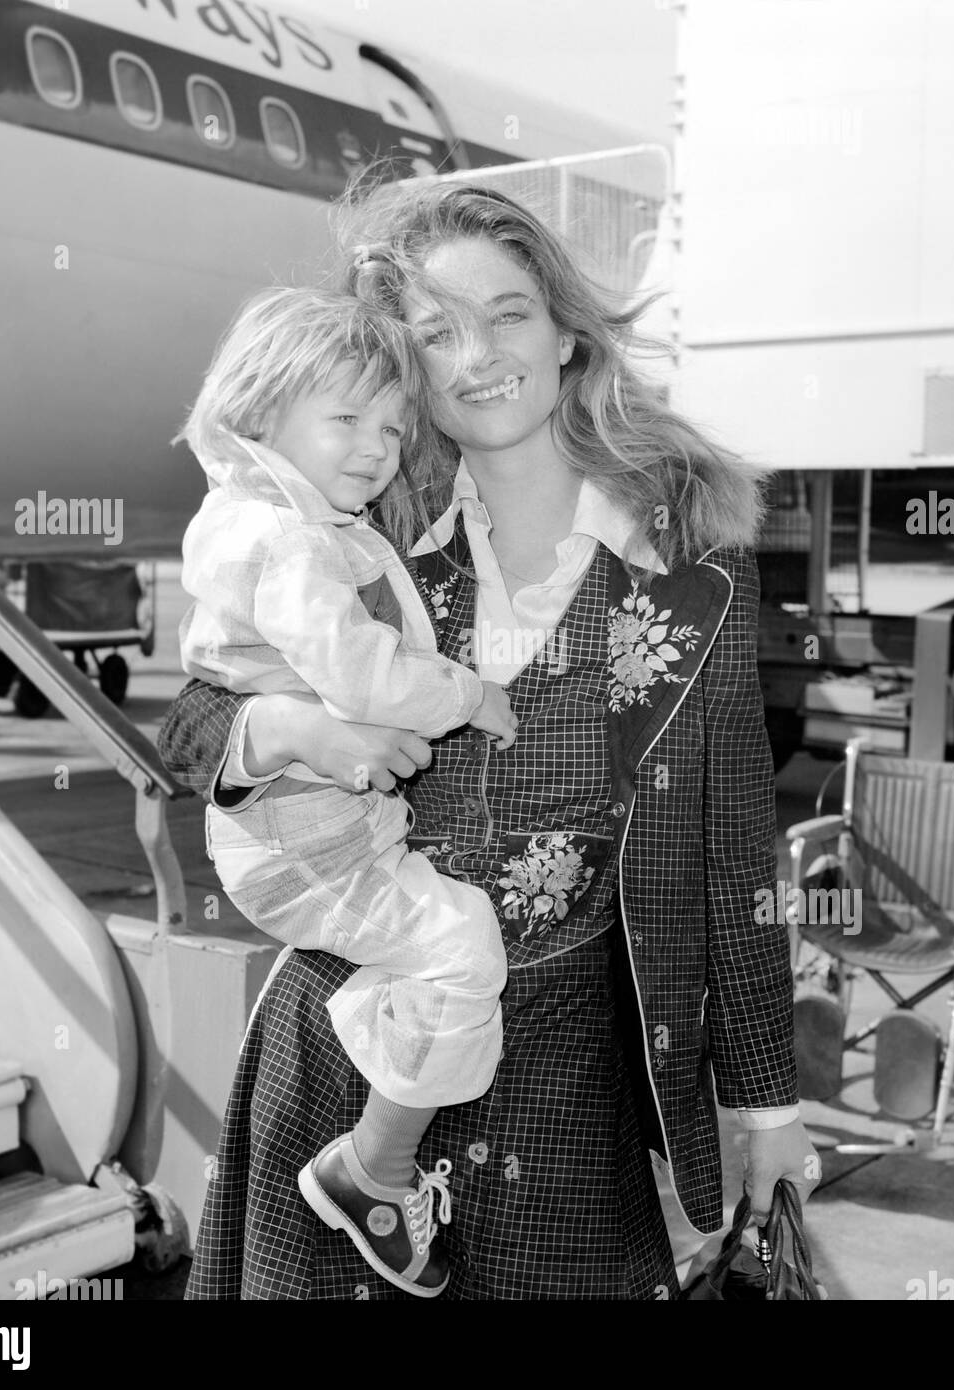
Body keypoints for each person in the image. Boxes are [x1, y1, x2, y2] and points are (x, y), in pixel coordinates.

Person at [160, 180, 818, 1300]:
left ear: (566, 331)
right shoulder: (360, 538)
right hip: (345, 1063)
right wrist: (272, 728)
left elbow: (731, 851)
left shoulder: (690, 564)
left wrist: (765, 1100)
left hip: (565, 1089)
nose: (476, 353)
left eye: (507, 313)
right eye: (434, 331)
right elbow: (188, 728)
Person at [175, 287, 517, 1296]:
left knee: (447, 944)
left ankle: (379, 1129)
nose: (375, 448)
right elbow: (350, 674)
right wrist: (471, 695)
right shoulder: (281, 536)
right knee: (460, 945)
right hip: (296, 836)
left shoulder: (304, 518)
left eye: (390, 427)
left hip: (314, 831)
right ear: (260, 410)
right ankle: (373, 1165)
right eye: (346, 420)